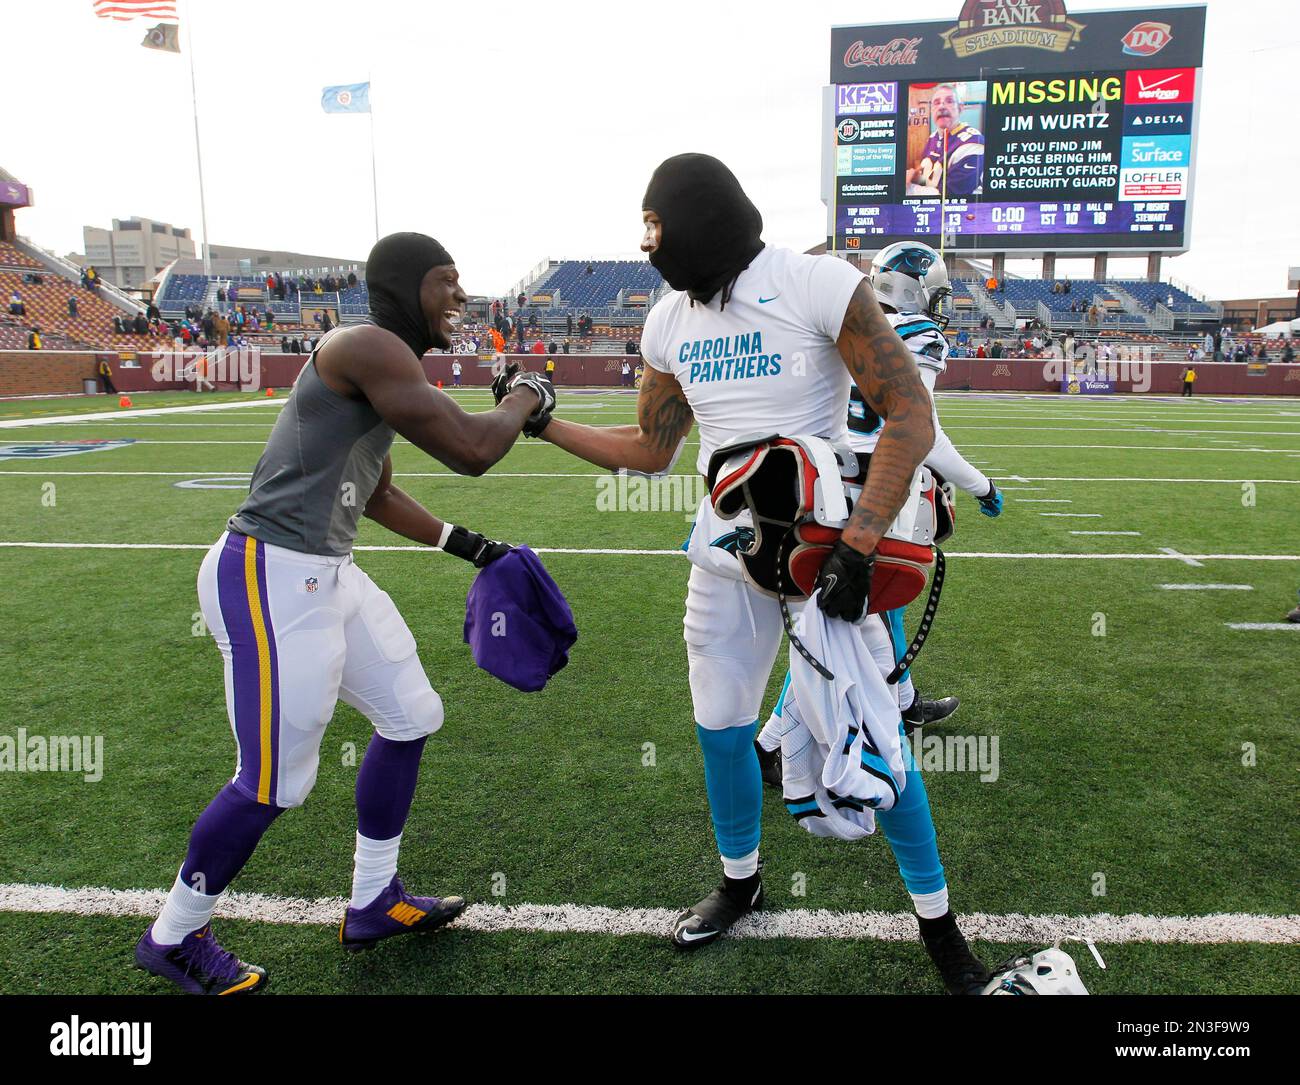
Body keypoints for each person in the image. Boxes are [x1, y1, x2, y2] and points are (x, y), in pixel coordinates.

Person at [529, 154, 988, 993]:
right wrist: (547, 425)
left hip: (825, 549)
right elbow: (650, 449)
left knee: (882, 731)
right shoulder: (667, 321)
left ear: (701, 219)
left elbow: (909, 414)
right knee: (721, 719)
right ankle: (741, 878)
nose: (647, 241)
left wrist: (861, 542)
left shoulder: (812, 283)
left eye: (656, 223)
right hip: (728, 553)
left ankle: (939, 925)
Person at [134, 232, 557, 995]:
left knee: (411, 713)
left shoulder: (382, 360)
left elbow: (380, 490)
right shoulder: (365, 344)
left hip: (326, 571)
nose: (460, 297)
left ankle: (372, 899)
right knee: (271, 781)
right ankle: (175, 932)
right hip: (269, 572)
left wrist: (473, 547)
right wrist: (529, 394)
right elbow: (471, 448)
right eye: (446, 281)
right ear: (407, 287)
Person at [906, 83, 984, 196]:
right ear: (931, 110)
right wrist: (914, 177)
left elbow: (951, 196)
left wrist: (907, 189)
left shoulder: (973, 144)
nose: (941, 106)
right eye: (936, 103)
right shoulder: (933, 137)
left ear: (960, 108)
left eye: (949, 101)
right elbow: (928, 180)